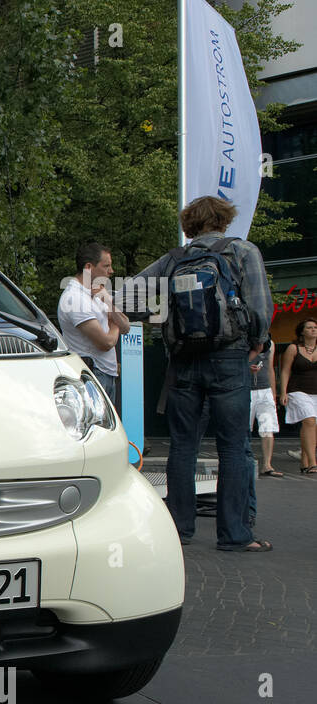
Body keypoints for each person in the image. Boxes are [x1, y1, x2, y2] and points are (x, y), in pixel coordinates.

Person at [133, 196, 273, 551]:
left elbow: (126, 298)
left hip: (182, 362)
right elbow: (260, 306)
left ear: (188, 225)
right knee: (233, 447)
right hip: (229, 358)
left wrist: (161, 321)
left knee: (183, 447)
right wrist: (257, 343)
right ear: (224, 220)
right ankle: (235, 536)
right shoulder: (242, 252)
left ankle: (179, 531)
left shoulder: (172, 260)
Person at [56, 242, 130, 403]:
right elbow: (106, 342)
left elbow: (126, 327)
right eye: (106, 266)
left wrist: (109, 303)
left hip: (106, 374)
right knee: (96, 427)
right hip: (91, 375)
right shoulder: (74, 298)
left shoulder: (99, 292)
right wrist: (113, 323)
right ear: (89, 267)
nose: (111, 271)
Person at [278, 317, 317, 475]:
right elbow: (286, 370)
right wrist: (283, 392)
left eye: (315, 327)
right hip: (298, 390)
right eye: (309, 328)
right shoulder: (293, 348)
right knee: (309, 420)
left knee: (312, 426)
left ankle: (304, 460)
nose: (313, 330)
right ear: (302, 332)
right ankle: (313, 462)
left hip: (316, 391)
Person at [250, 338, 282, 477]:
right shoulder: (243, 339)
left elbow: (269, 369)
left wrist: (273, 393)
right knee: (244, 428)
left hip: (265, 390)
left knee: (268, 428)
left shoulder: (270, 343)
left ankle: (267, 464)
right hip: (246, 389)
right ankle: (244, 461)